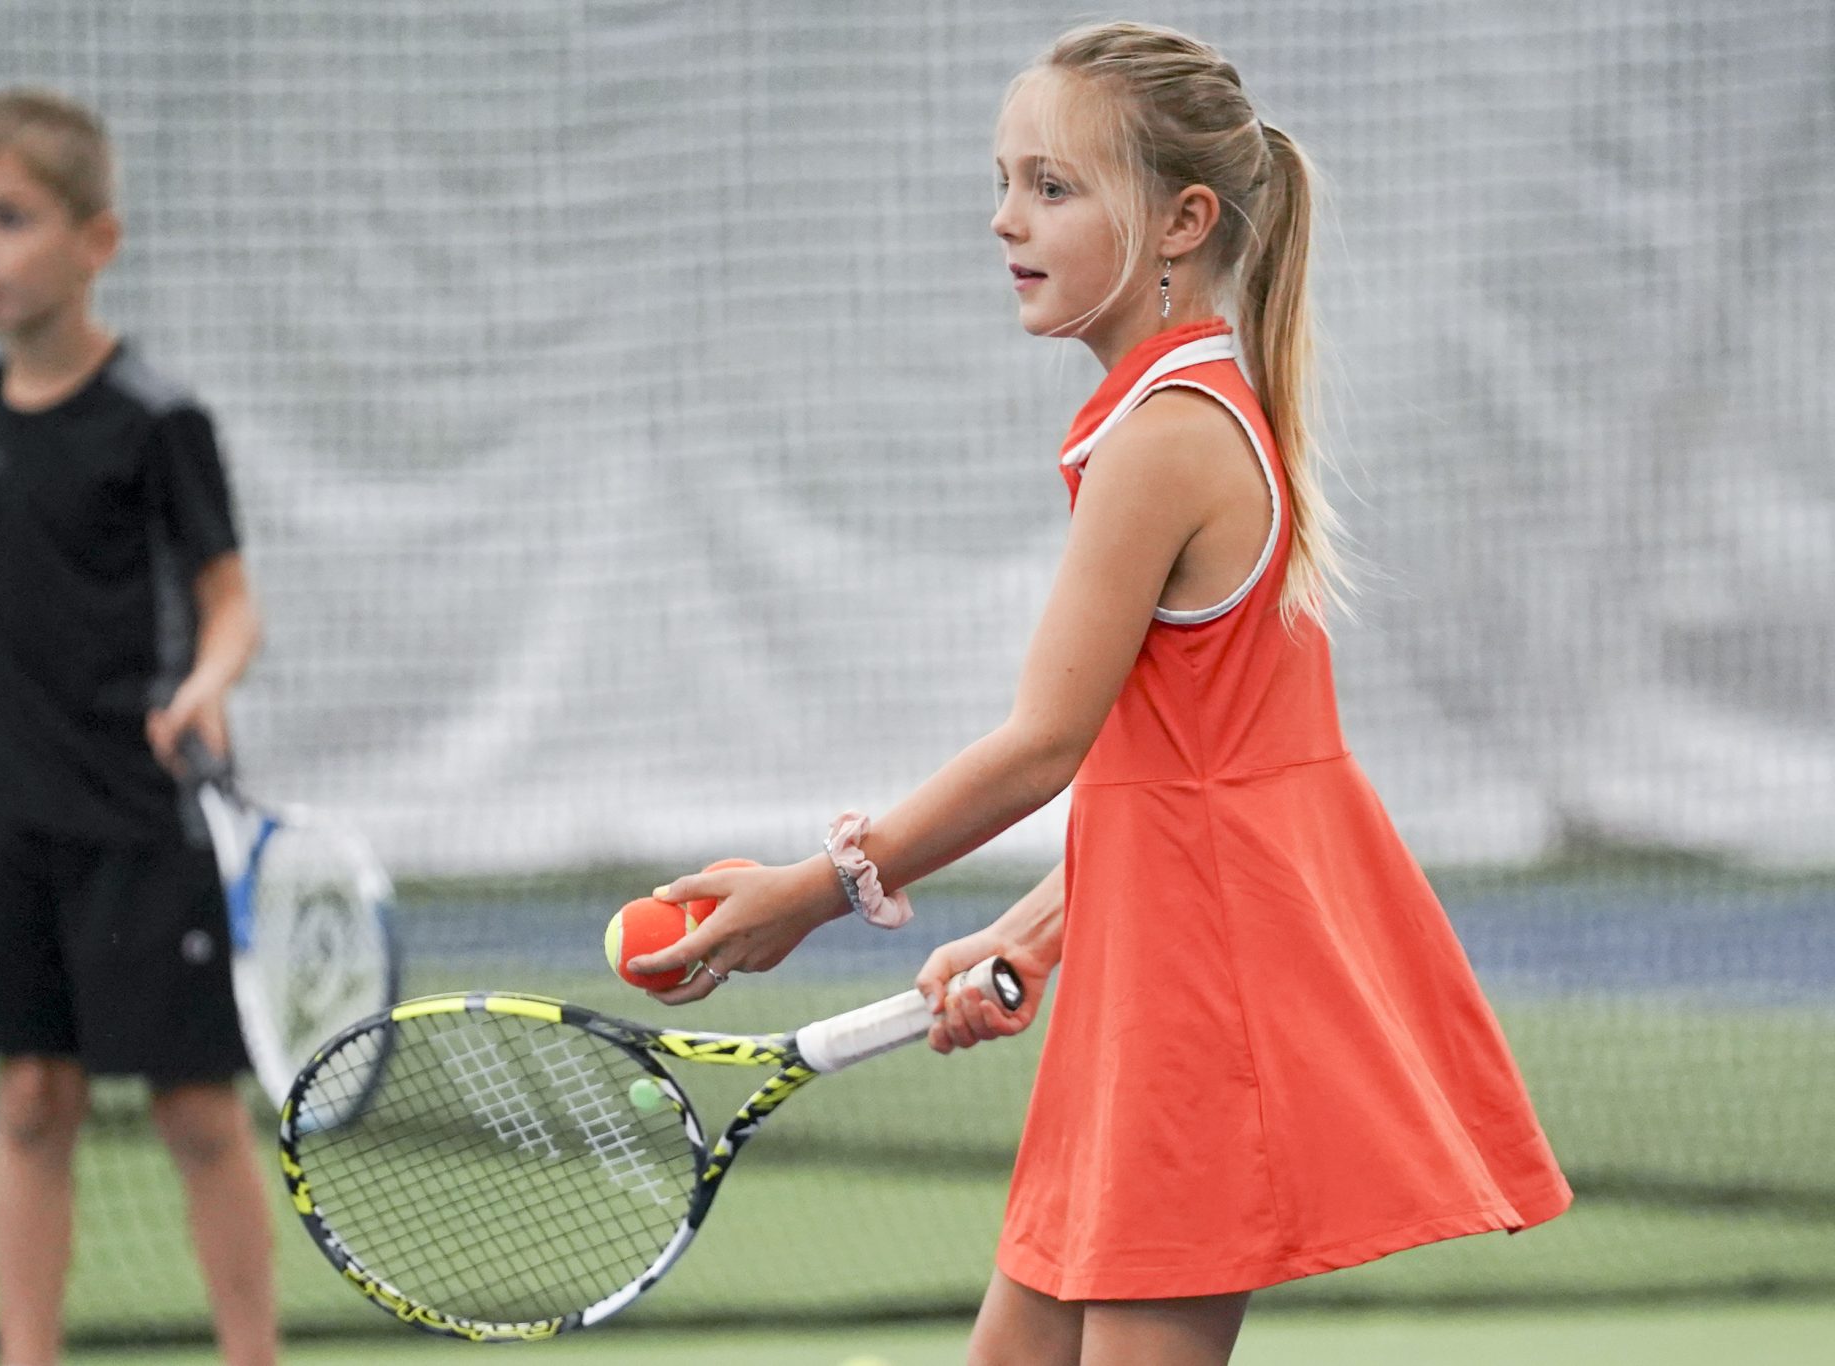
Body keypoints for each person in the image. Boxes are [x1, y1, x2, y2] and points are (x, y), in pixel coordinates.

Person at [635, 23, 1571, 1366]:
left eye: (1054, 187)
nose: (1006, 218)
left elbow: (1045, 746)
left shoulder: (1168, 440)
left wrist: (818, 886)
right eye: (1006, 179)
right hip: (1162, 960)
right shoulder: (1181, 416)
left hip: (1205, 1001)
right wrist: (1032, 930)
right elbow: (1192, 769)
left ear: (1184, 220)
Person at [0, 88, 276, 1366]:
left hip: (140, 808)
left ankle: (249, 1352)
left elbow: (231, 605)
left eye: (8, 216)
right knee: (31, 1093)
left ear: (93, 241)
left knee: (194, 1112)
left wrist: (209, 681)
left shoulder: (158, 421)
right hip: (6, 805)